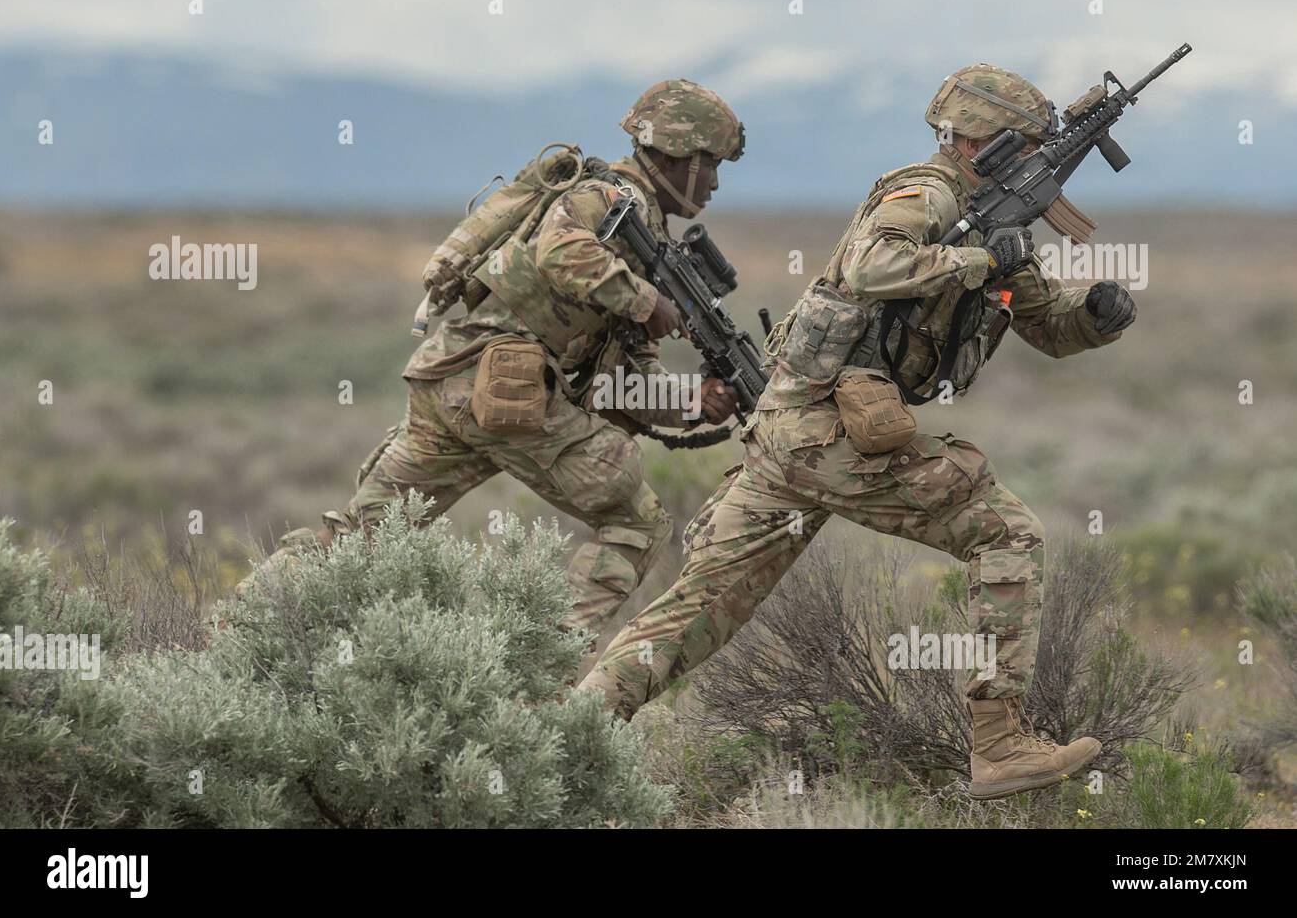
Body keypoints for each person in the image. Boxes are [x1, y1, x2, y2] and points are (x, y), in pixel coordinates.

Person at [579, 64, 1137, 800]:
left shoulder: (992, 223)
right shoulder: (927, 194)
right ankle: (999, 744)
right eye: (1021, 146)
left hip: (795, 436)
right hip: (823, 435)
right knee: (1005, 532)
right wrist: (978, 259)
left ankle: (565, 734)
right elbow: (876, 264)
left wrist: (1095, 314)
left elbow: (1042, 322)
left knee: (696, 615)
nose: (1036, 161)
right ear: (979, 142)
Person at [242, 80, 743, 645]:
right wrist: (646, 300)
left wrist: (693, 403)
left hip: (451, 382)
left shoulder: (642, 229)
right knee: (639, 524)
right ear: (679, 153)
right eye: (711, 165)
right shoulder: (609, 201)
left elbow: (624, 382)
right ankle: (541, 668)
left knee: (362, 537)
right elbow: (560, 251)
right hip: (502, 391)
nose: (717, 182)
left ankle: (243, 625)